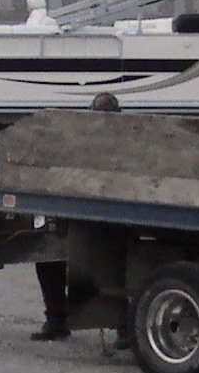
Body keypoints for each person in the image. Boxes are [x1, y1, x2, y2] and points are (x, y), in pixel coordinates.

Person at [30, 92, 127, 344]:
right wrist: (56, 214)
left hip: (110, 214)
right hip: (77, 211)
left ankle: (124, 326)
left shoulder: (127, 141)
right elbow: (61, 177)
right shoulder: (77, 139)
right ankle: (56, 319)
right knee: (49, 261)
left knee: (114, 269)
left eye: (107, 115)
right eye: (99, 114)